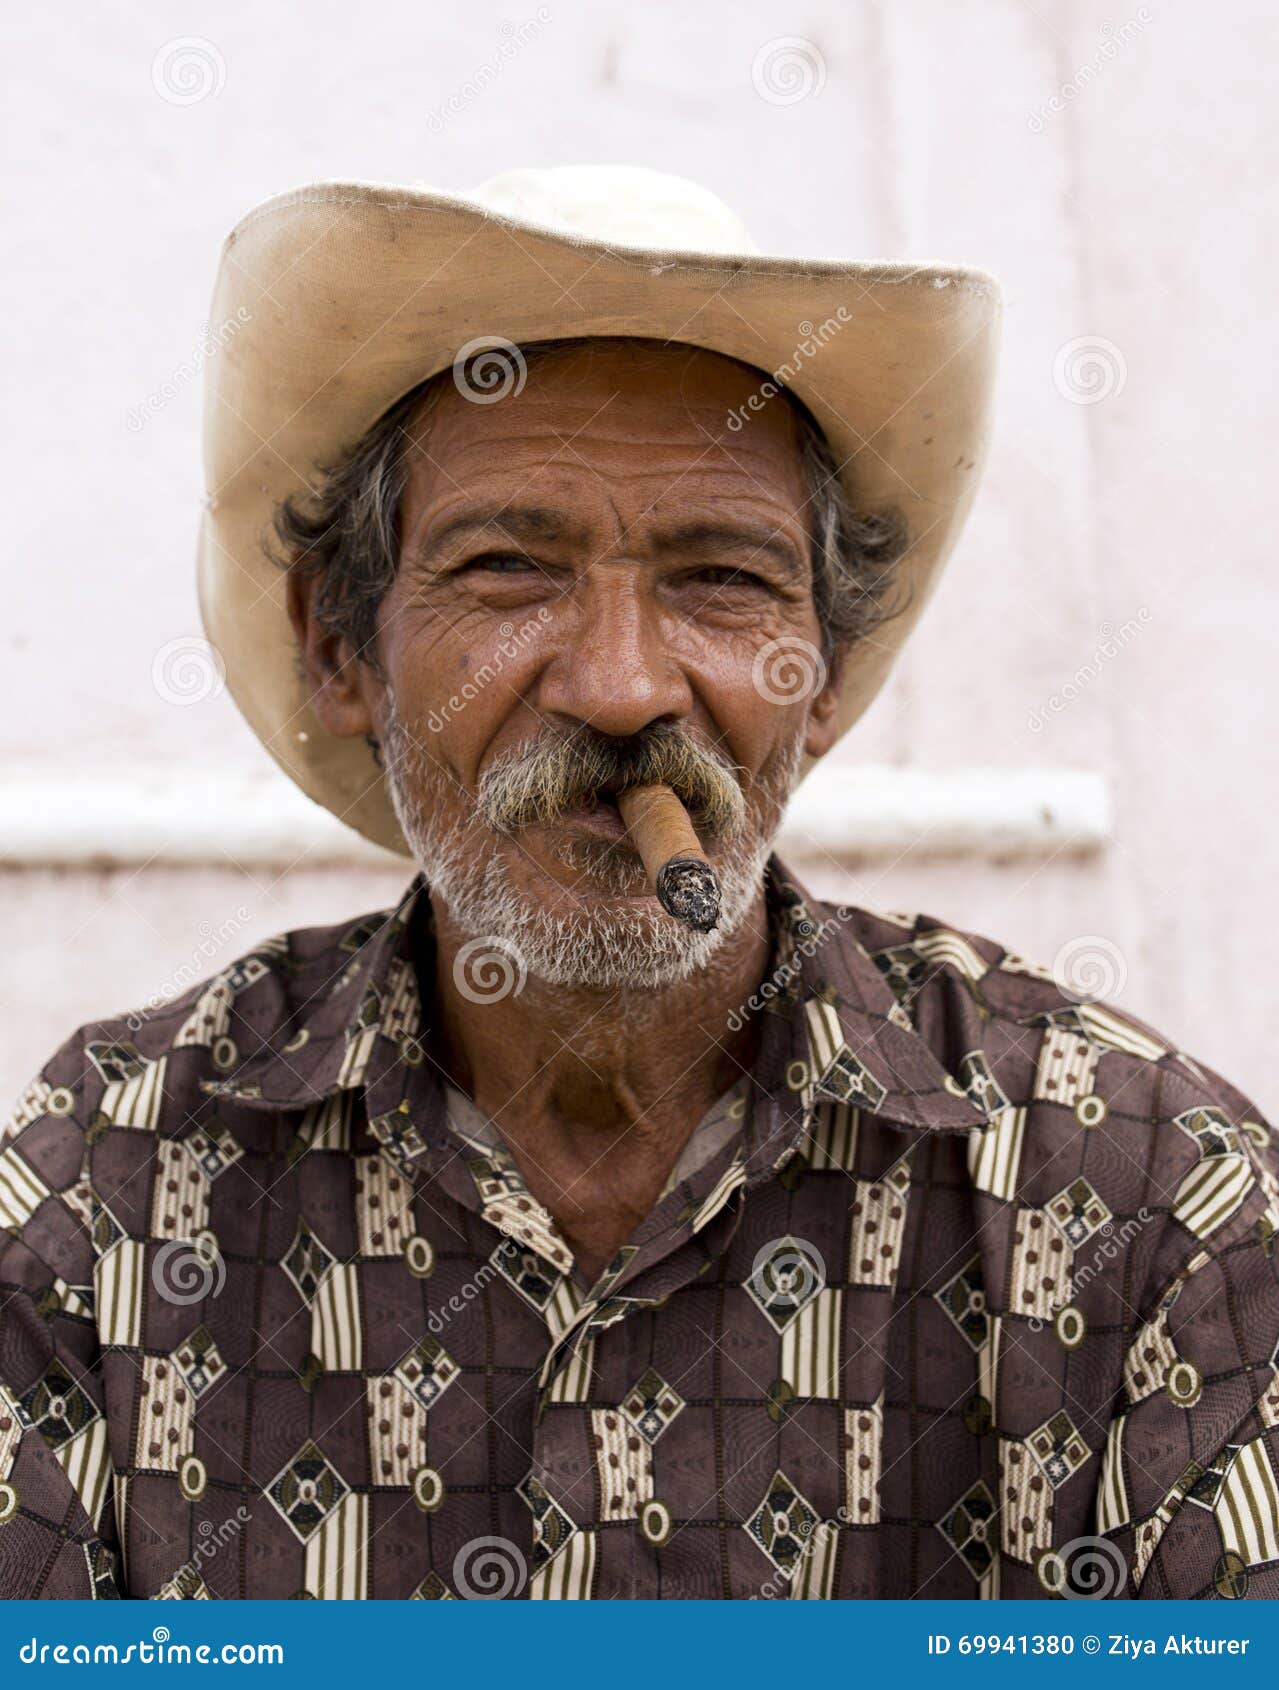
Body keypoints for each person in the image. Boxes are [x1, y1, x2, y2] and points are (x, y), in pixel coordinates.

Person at [2, 167, 1275, 1600]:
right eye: (505, 570)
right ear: (340, 647)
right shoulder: (103, 1192)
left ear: (828, 675)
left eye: (720, 578)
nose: (619, 688)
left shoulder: (1141, 1195)